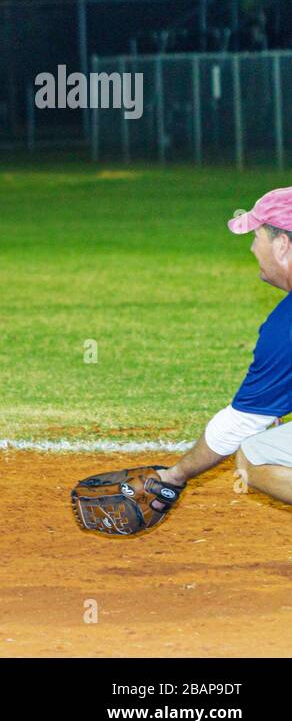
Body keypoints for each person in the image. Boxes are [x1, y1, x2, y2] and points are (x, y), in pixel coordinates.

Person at [153, 188, 292, 506]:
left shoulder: (286, 328)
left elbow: (239, 425)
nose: (253, 248)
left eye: (257, 237)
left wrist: (174, 476)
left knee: (255, 456)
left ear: (282, 244)